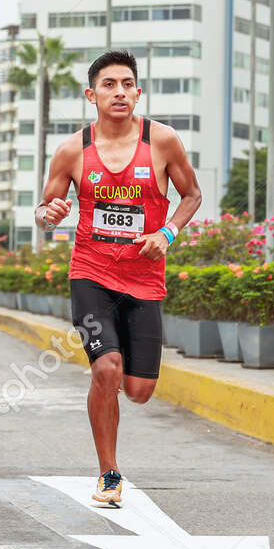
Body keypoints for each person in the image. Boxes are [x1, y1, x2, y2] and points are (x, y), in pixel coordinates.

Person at [35, 50, 201, 509]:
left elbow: (191, 194)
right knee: (106, 369)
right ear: (92, 95)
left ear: (138, 92)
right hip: (90, 275)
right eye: (109, 85)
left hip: (144, 280)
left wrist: (167, 231)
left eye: (127, 84)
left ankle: (114, 374)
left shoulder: (163, 142)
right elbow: (44, 212)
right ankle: (109, 472)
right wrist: (50, 214)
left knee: (139, 391)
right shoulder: (72, 151)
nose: (119, 92)